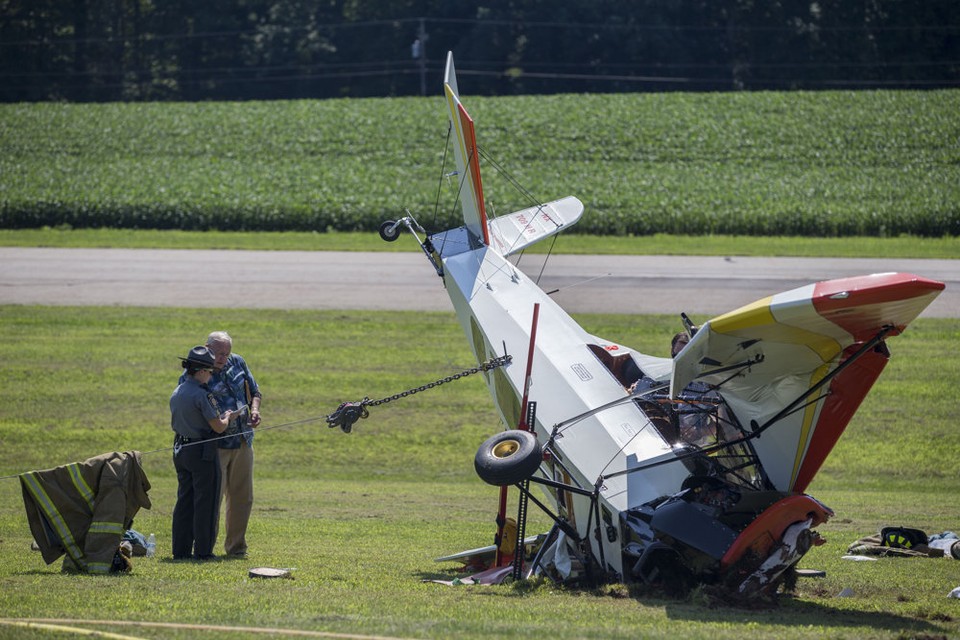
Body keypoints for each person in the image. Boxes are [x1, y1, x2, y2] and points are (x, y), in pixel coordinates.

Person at [186, 331, 262, 558]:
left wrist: (255, 411)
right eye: (219, 353)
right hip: (215, 445)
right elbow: (189, 401)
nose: (223, 359)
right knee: (212, 499)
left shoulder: (237, 362)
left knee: (242, 497)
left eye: (226, 354)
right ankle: (204, 549)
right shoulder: (196, 370)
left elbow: (255, 392)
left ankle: (236, 549)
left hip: (243, 440)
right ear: (206, 348)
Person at [170, 345, 238, 560]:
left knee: (185, 500)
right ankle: (203, 551)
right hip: (201, 452)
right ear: (200, 371)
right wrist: (228, 417)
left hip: (181, 449)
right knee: (206, 502)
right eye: (209, 372)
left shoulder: (178, 391)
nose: (210, 375)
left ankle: (180, 550)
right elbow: (218, 427)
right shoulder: (201, 395)